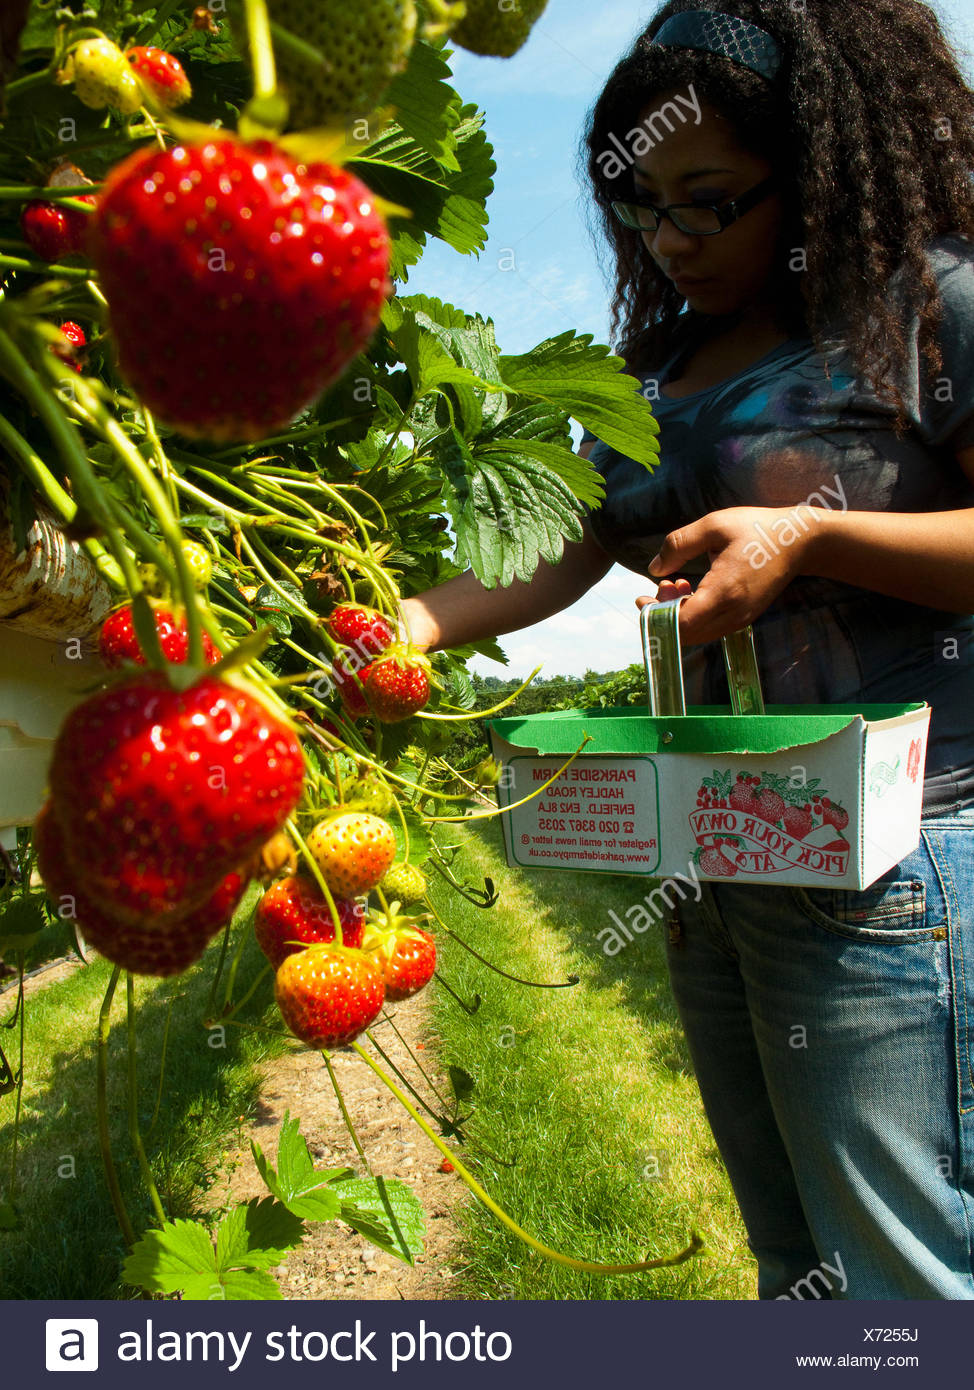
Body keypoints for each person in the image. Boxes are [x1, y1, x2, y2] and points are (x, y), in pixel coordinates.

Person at [401, 1, 974, 1300]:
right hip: (722, 847)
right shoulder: (660, 372)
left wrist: (809, 541)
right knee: (795, 1264)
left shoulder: (927, 310)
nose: (669, 241)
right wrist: (412, 620)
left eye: (707, 200)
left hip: (897, 855)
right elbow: (564, 537)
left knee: (900, 1265)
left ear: (815, 161)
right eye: (643, 209)